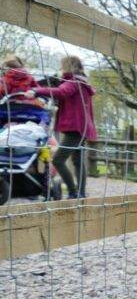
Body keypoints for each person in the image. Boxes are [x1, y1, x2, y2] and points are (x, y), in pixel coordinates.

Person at [28, 55, 96, 199]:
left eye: (62, 65)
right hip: (81, 127)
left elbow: (62, 92)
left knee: (58, 160)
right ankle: (81, 193)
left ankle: (73, 192)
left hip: (75, 128)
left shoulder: (73, 81)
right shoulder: (82, 82)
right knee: (78, 161)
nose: (60, 69)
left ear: (67, 66)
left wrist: (37, 90)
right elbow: (67, 98)